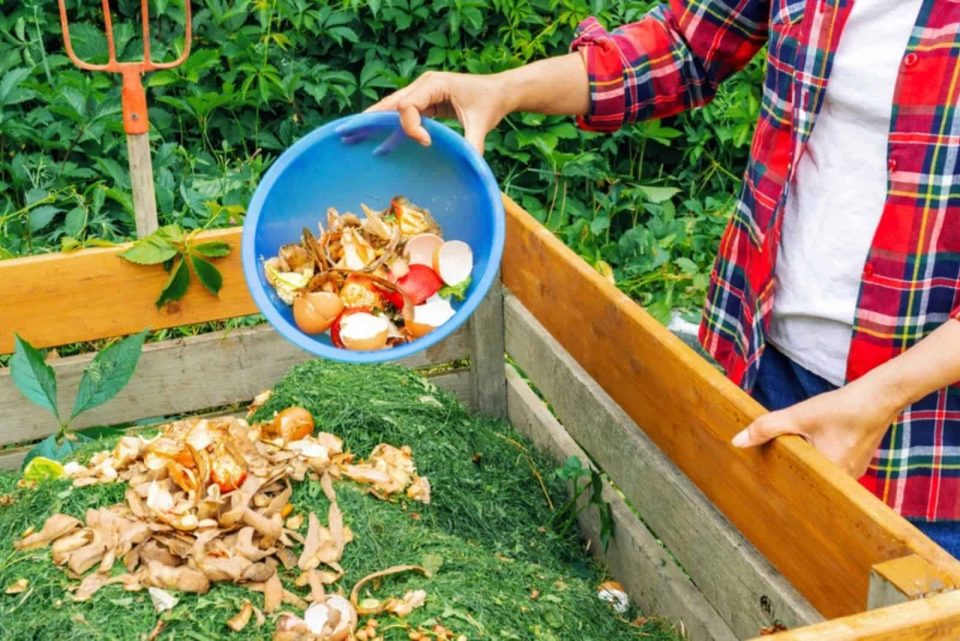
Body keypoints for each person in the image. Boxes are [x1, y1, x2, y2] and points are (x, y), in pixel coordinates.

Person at [365, 0, 960, 552]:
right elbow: (685, 45)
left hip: (924, 437)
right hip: (758, 359)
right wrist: (500, 88)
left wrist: (882, 396)